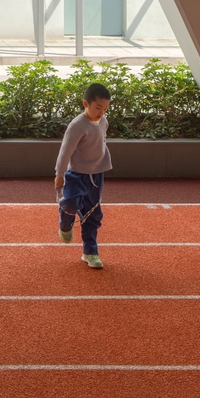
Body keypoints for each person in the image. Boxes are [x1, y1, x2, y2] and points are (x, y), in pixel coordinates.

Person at [55, 82, 114, 270]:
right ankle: (65, 222)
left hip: (96, 175)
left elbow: (101, 142)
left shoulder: (103, 121)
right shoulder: (77, 126)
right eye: (98, 108)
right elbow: (65, 152)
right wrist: (60, 174)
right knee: (71, 203)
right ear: (85, 104)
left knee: (93, 214)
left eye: (105, 108)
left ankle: (90, 252)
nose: (101, 112)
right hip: (76, 175)